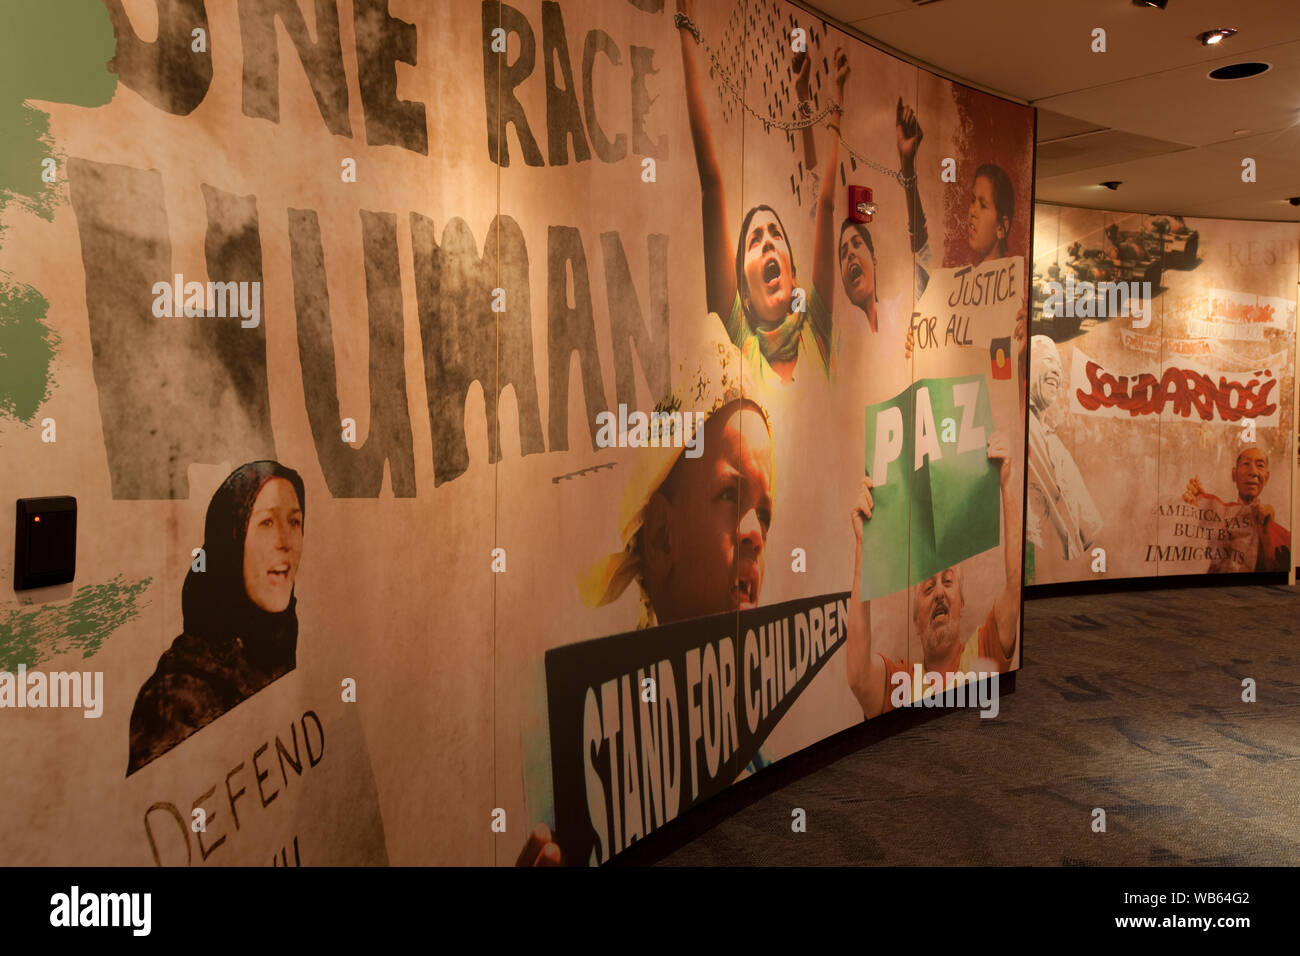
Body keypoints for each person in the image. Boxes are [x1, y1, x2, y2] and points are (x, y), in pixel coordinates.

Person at [520, 341, 776, 865]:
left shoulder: (756, 759)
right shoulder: (580, 757)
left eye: (765, 513)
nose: (755, 534)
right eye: (731, 496)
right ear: (662, 536)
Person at [677, 0, 847, 386]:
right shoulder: (739, 346)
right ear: (745, 297)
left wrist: (818, 102)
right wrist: (685, 30)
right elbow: (712, 184)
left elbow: (823, 202)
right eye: (754, 240)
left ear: (794, 272)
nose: (769, 242)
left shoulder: (815, 332)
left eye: (775, 234)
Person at [127, 461, 305, 776]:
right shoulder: (179, 698)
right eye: (266, 523)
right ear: (230, 543)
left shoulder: (278, 643)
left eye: (294, 522)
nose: (285, 542)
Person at [844, 433, 1020, 718]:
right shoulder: (899, 682)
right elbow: (857, 676)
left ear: (962, 605)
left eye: (948, 582)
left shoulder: (984, 653)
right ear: (916, 623)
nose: (939, 592)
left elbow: (1014, 585)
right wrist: (865, 547)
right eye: (927, 588)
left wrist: (1007, 485)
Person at [1025, 335, 1102, 562]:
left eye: (1060, 367)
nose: (1057, 372)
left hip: (1064, 569)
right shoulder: (1017, 425)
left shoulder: (1058, 448)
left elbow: (1089, 530)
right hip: (1034, 568)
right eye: (1049, 360)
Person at [1184, 446, 1291, 573]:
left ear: (1266, 477)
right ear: (1234, 474)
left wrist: (1267, 527)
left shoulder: (1269, 519)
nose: (1253, 472)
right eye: (1246, 464)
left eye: (1260, 465)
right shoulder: (1220, 514)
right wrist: (1201, 506)